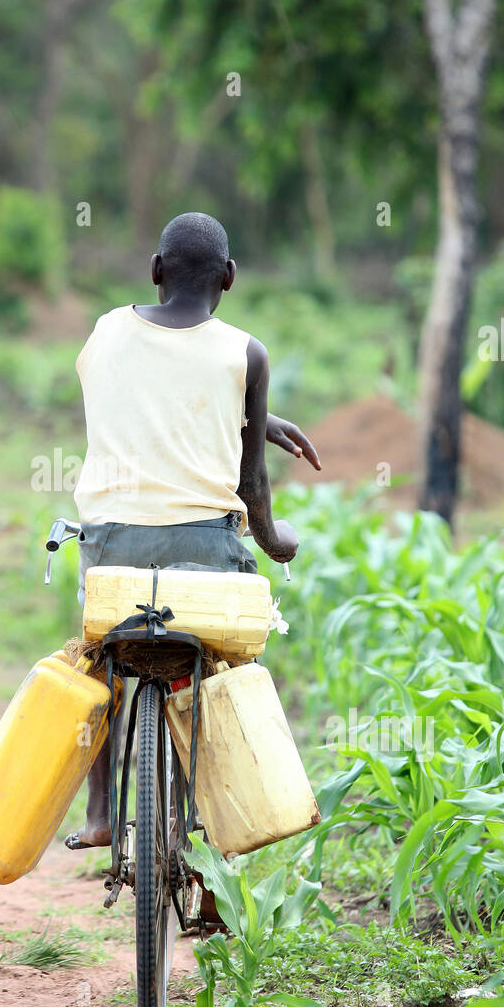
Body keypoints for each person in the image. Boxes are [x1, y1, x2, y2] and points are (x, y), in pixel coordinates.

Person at [66, 211, 321, 852]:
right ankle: (218, 844)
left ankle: (99, 812)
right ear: (229, 278)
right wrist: (277, 540)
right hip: (204, 552)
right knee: (223, 675)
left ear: (155, 271)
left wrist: (256, 413)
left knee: (99, 656)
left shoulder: (105, 332)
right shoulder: (246, 354)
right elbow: (252, 487)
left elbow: (144, 388)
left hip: (111, 550)